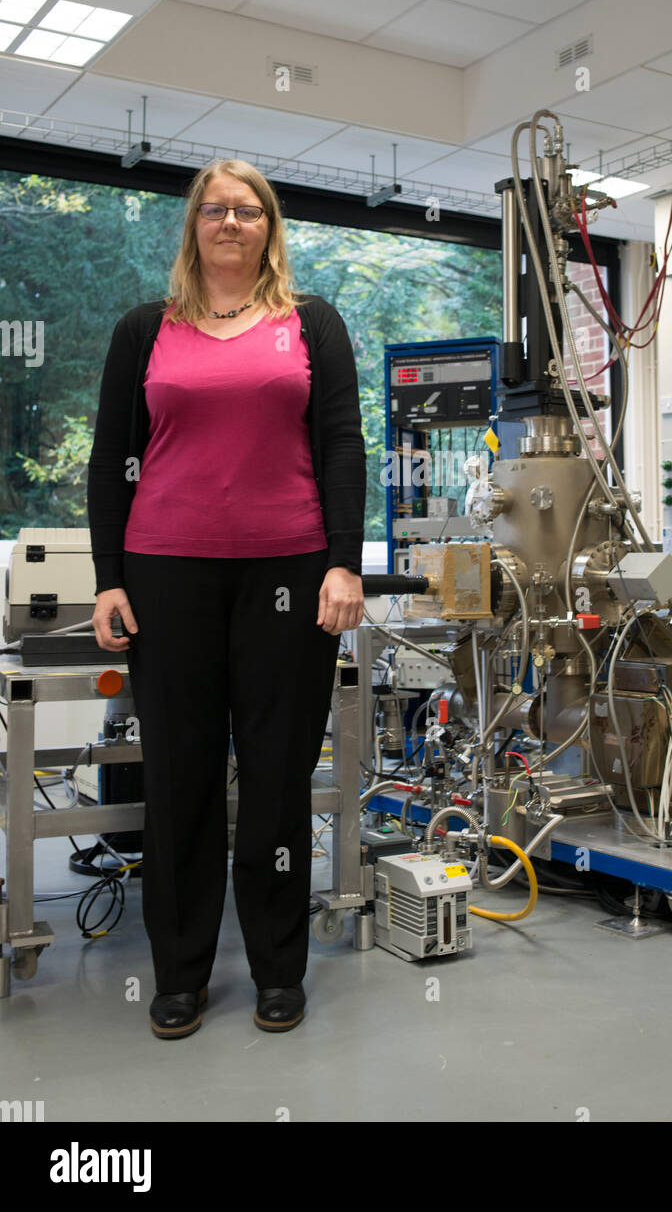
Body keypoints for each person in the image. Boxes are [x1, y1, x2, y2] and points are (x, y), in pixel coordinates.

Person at [87, 159, 366, 1039]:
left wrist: (343, 563)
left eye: (248, 210)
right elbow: (110, 462)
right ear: (194, 226)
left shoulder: (312, 325)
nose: (231, 223)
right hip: (167, 572)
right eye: (215, 209)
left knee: (279, 775)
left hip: (287, 572)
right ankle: (180, 976)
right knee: (180, 779)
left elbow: (342, 447)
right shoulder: (145, 330)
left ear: (269, 226)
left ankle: (279, 971)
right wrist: (108, 579)